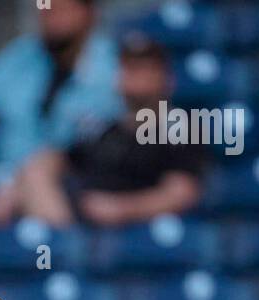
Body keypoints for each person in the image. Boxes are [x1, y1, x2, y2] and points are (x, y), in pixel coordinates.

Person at [0, 0, 120, 225]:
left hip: (78, 181)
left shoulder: (111, 65)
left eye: (63, 10)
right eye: (47, 11)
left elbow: (101, 141)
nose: (53, 19)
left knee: (38, 177)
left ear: (89, 14)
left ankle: (66, 253)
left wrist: (20, 186)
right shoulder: (22, 55)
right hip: (2, 179)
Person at [21, 34, 206, 228]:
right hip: (82, 220)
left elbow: (181, 193)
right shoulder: (105, 128)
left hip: (139, 233)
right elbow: (62, 159)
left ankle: (68, 250)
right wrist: (15, 189)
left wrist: (120, 208)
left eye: (145, 69)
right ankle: (67, 247)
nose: (136, 77)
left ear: (167, 78)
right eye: (129, 68)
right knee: (34, 171)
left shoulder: (180, 127)